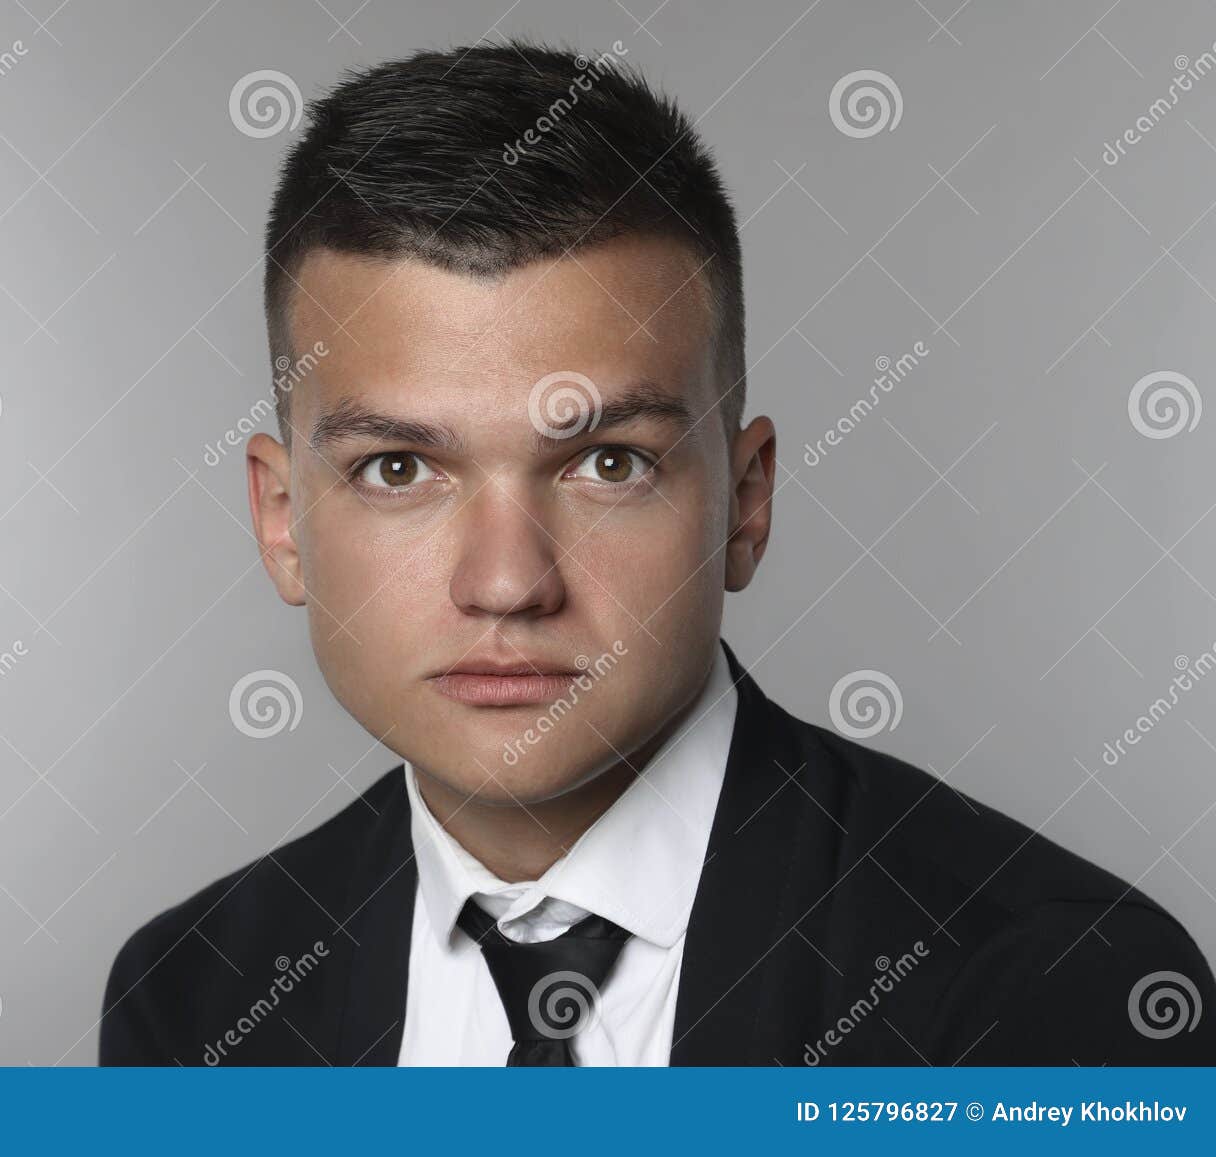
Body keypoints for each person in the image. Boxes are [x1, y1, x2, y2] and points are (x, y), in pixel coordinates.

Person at [100, 41, 1214, 1066]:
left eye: (607, 463)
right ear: (282, 520)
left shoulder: (1056, 991)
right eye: (398, 468)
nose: (506, 583)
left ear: (745, 502)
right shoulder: (192, 997)